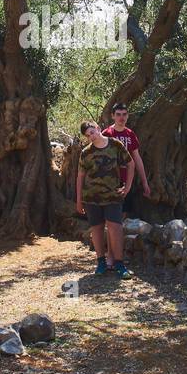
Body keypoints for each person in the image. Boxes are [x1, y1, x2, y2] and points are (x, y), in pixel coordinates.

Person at [75, 120, 134, 277]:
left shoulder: (115, 145)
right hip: (91, 198)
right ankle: (101, 262)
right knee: (97, 228)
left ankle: (119, 264)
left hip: (113, 196)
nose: (91, 136)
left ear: (98, 128)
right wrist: (79, 200)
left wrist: (127, 187)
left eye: (92, 132)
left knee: (115, 227)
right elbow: (80, 177)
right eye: (88, 135)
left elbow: (131, 164)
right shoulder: (86, 153)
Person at [101, 103, 150, 209]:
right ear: (113, 116)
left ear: (128, 116)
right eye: (118, 114)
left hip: (127, 179)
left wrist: (144, 182)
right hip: (110, 180)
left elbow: (137, 158)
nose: (121, 117)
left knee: (124, 210)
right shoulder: (106, 134)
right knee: (111, 211)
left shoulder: (130, 134)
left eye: (124, 114)